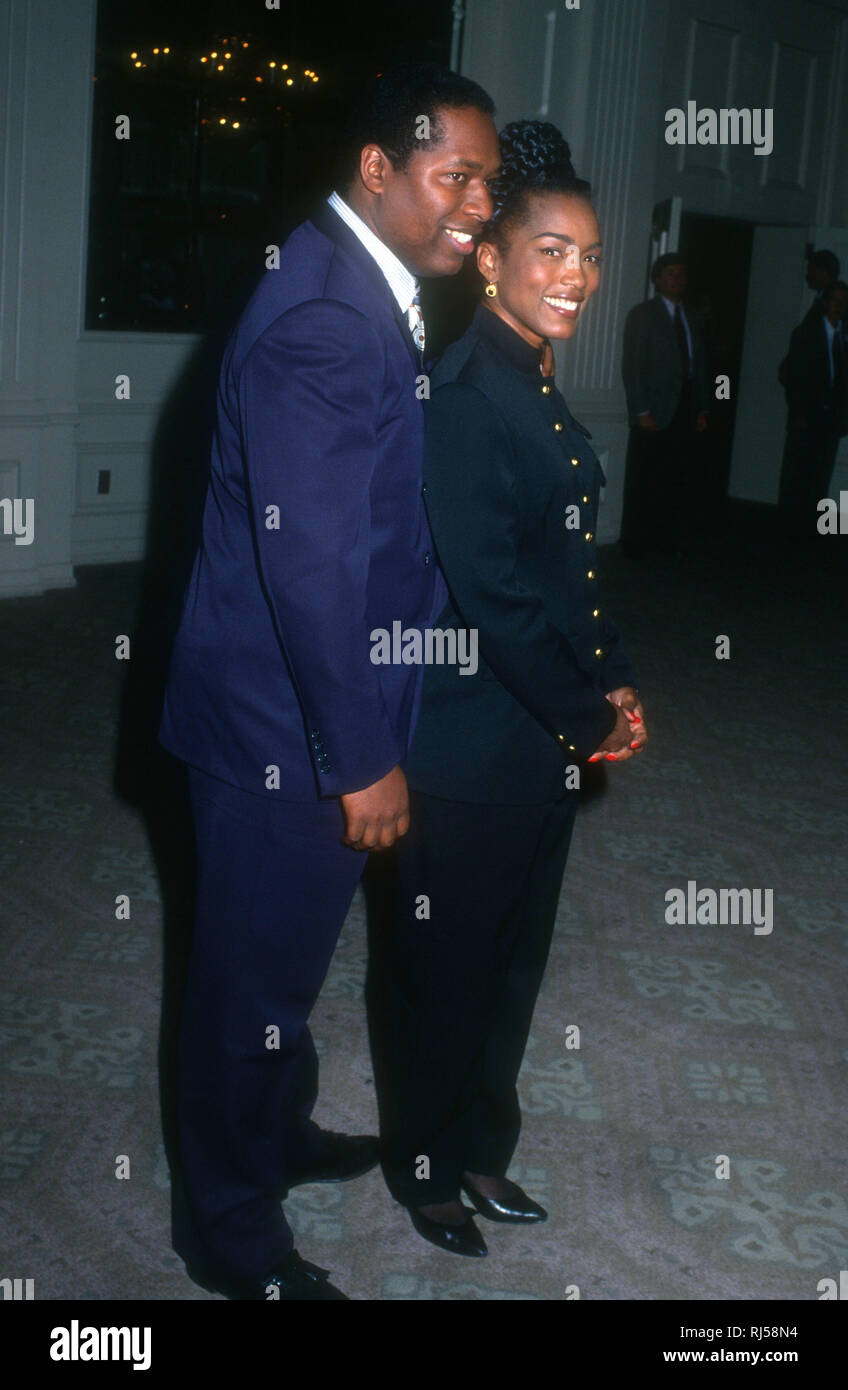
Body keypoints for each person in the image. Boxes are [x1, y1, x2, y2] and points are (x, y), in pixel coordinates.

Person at [157, 62, 500, 1301]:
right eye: (452, 175)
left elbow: (370, 524)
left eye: (485, 178)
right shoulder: (321, 314)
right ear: (377, 167)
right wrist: (357, 753)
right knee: (246, 984)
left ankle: (280, 1133)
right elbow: (309, 573)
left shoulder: (359, 277)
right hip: (281, 728)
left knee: (279, 965)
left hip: (304, 703)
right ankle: (229, 1238)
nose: (476, 201)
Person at [373, 121, 646, 1257]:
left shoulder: (533, 381)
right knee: (442, 966)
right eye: (549, 252)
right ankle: (425, 1168)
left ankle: (483, 1147)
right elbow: (492, 592)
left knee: (511, 961)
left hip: (537, 743)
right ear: (490, 257)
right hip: (466, 745)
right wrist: (587, 712)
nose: (575, 276)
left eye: (587, 255)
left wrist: (614, 680)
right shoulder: (467, 391)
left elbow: (569, 566)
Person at [620, 253, 710, 559]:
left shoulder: (693, 316)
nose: (677, 279)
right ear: (657, 278)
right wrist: (641, 410)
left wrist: (702, 408)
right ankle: (637, 544)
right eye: (670, 273)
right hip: (654, 409)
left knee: (676, 476)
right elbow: (632, 365)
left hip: (684, 408)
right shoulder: (643, 314)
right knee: (647, 478)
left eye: (682, 274)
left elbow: (701, 365)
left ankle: (667, 540)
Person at [779, 279, 848, 535]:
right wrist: (799, 414)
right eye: (834, 300)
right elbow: (793, 377)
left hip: (831, 420)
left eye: (844, 301)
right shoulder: (806, 333)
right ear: (824, 303)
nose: (839, 306)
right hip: (806, 418)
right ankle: (788, 533)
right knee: (797, 476)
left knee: (821, 477)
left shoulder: (843, 336)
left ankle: (811, 533)